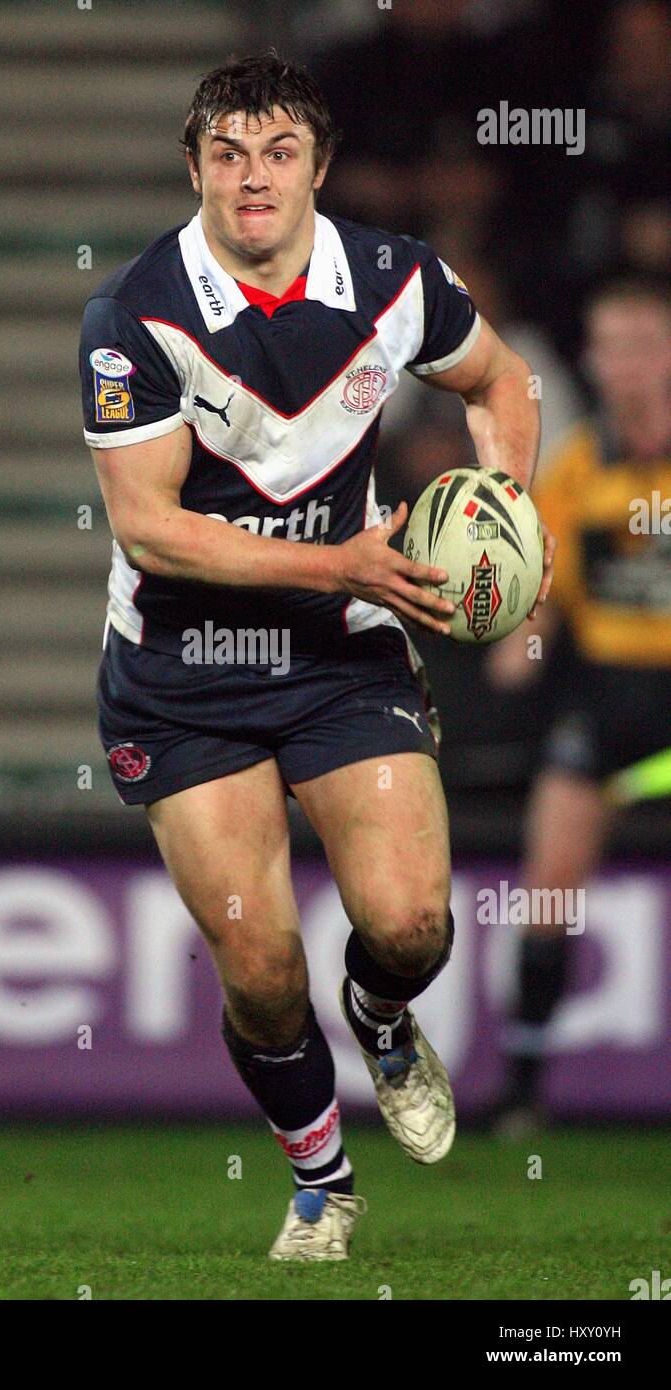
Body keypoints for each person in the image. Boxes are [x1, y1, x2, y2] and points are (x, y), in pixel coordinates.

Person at [79, 53, 553, 1260]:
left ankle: (383, 1017)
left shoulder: (393, 279)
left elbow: (500, 382)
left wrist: (498, 514)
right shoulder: (135, 312)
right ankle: (320, 1184)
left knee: (407, 924)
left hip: (340, 655)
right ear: (191, 167)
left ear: (317, 168)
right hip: (183, 674)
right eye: (226, 154)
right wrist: (340, 561)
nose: (253, 178)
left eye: (278, 152)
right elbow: (149, 525)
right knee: (259, 959)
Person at [487, 273, 670, 1134]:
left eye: (643, 345)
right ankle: (523, 1092)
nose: (626, 366)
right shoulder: (578, 463)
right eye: (612, 347)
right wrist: (519, 645)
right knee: (548, 890)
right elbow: (541, 588)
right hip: (606, 700)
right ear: (591, 360)